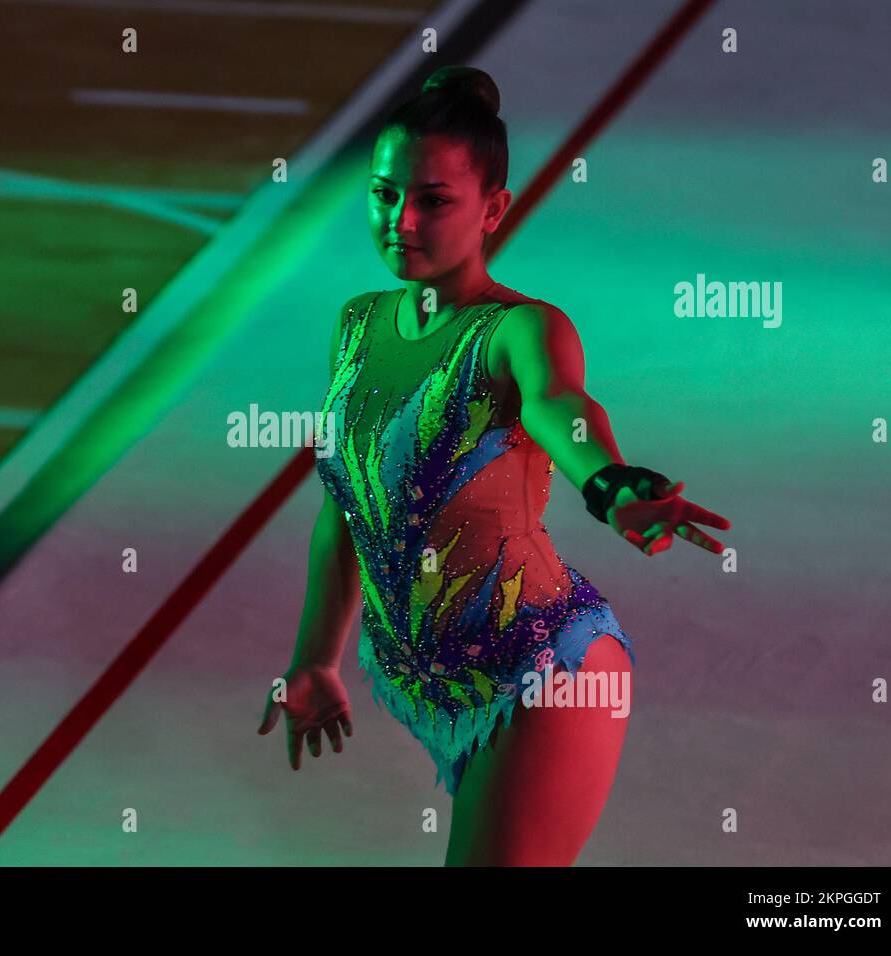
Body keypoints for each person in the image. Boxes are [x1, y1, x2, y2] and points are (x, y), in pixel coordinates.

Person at [258, 65, 731, 865]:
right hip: (428, 685)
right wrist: (313, 658)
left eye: (433, 200)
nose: (399, 221)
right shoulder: (357, 325)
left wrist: (612, 485)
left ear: (493, 208)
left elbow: (561, 408)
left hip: (545, 673)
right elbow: (349, 509)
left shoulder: (519, 330)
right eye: (382, 193)